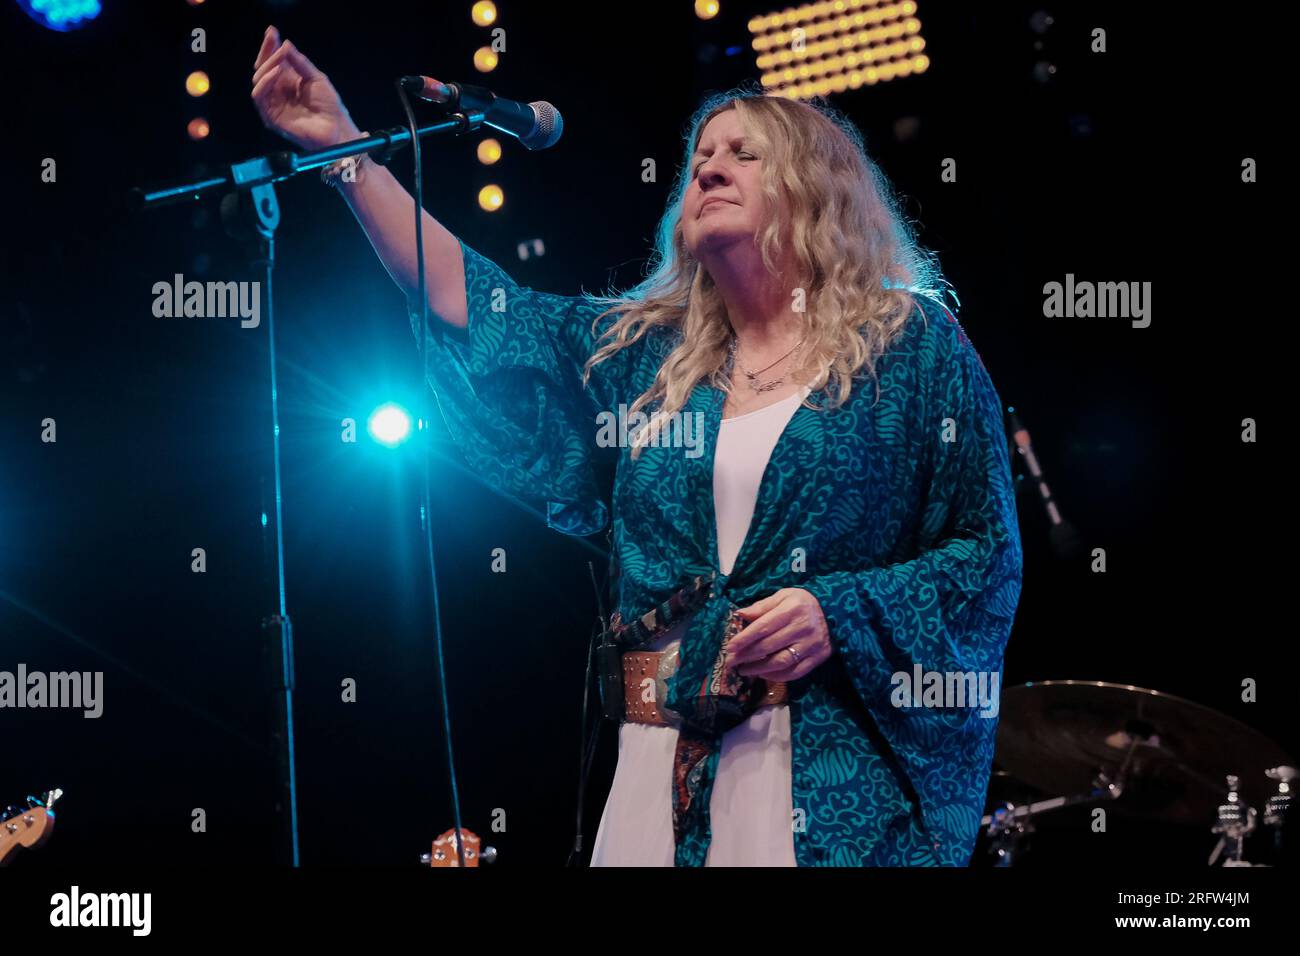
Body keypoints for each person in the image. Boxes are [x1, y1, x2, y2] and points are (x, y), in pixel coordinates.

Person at [251, 24, 1023, 867]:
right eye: (701, 154)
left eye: (746, 153)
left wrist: (837, 612)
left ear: (815, 190)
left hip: (827, 781)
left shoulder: (908, 347)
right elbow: (478, 307)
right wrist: (347, 152)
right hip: (656, 774)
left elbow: (986, 555)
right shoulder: (646, 361)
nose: (710, 165)